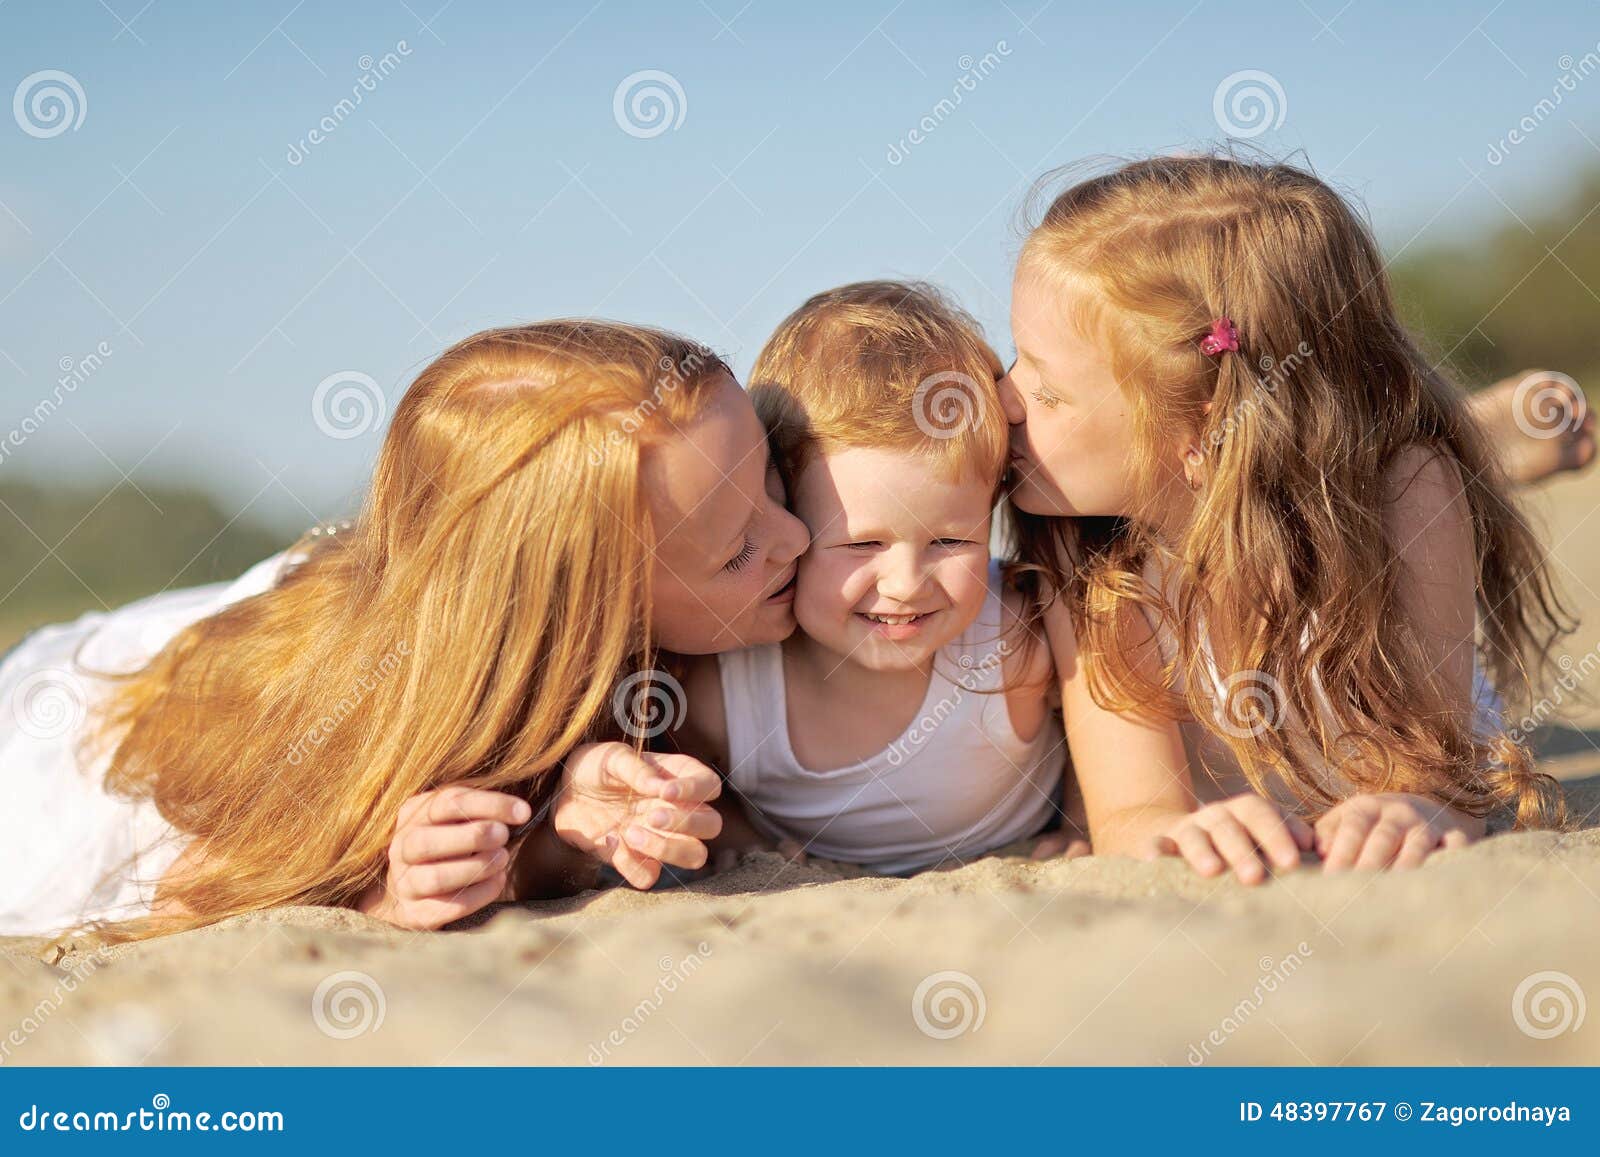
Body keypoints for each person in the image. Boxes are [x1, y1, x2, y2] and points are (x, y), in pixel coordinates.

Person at [0, 321, 808, 939]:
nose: (796, 537)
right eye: (739, 551)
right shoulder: (371, 706)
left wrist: (566, 818)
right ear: (585, 609)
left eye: (773, 477)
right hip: (66, 747)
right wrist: (386, 890)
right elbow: (195, 892)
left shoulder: (616, 609)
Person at [1002, 154, 1578, 884]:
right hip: (1243, 480)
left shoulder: (1408, 496)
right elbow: (1132, 812)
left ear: (1201, 430)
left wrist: (1413, 806)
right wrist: (1166, 828)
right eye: (1014, 357)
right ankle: (1486, 432)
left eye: (1045, 388)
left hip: (1348, 549)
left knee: (1412, 466)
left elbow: (1437, 776)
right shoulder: (1085, 550)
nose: (1002, 396)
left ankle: (1478, 440)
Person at [676, 282, 1081, 872]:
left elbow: (1103, 720)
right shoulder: (724, 691)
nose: (906, 583)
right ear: (784, 518)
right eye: (863, 544)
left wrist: (1088, 816)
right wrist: (736, 836)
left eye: (950, 540)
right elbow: (696, 771)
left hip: (1016, 839)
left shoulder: (1015, 641)